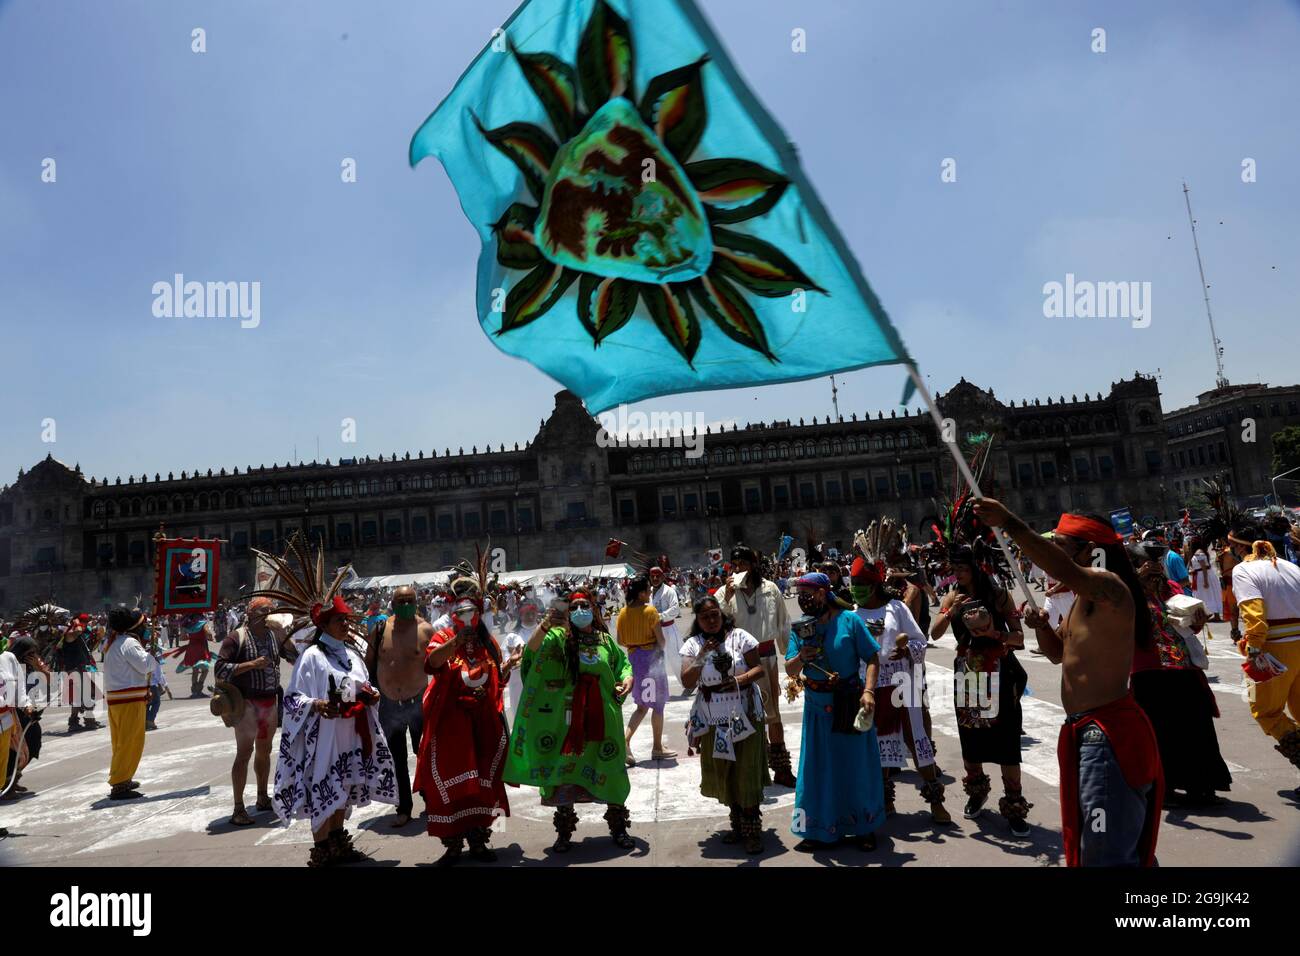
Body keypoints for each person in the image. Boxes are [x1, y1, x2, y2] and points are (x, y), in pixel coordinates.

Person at [980, 502, 1163, 867]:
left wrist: (1011, 522)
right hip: (1089, 730)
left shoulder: (1110, 587)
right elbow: (1057, 653)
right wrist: (1042, 626)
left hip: (1109, 732)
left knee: (1103, 848)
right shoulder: (1083, 598)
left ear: (1089, 551)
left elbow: (1060, 567)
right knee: (1098, 840)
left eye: (1062, 544)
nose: (1056, 554)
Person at [503, 591, 637, 853]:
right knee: (564, 770)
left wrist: (627, 679)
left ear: (593, 609)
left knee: (609, 766)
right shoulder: (556, 638)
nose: (579, 610)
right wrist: (545, 625)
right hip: (565, 721)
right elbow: (530, 656)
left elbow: (623, 665)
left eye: (584, 605)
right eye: (573, 606)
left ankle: (619, 828)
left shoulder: (604, 640)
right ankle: (564, 833)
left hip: (603, 719)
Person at [273, 595, 397, 867]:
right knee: (324, 786)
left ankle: (339, 844)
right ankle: (322, 850)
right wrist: (316, 704)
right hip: (325, 737)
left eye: (347, 619)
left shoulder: (351, 654)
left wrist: (372, 695)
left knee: (344, 785)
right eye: (339, 620)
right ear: (325, 624)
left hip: (351, 733)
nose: (345, 624)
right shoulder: (312, 657)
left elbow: (364, 685)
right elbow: (293, 698)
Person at [929, 545, 1032, 837]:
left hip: (1000, 672)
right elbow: (934, 633)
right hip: (969, 676)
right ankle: (977, 791)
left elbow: (1020, 639)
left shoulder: (998, 595)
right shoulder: (952, 595)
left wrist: (994, 634)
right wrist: (950, 612)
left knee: (1007, 743)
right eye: (954, 569)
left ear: (975, 567)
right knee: (972, 741)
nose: (957, 574)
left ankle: (1014, 805)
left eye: (962, 569)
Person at [784, 572, 884, 852]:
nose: (804, 597)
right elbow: (789, 669)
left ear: (824, 592)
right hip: (816, 707)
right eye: (801, 592)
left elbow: (873, 656)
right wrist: (802, 656)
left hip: (849, 702)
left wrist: (869, 691)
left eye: (809, 591)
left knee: (856, 766)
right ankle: (819, 830)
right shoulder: (800, 628)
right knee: (819, 769)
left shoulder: (849, 620)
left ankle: (864, 828)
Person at [414, 580, 510, 865]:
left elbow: (496, 679)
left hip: (481, 723)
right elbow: (432, 662)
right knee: (448, 781)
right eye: (461, 609)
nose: (466, 614)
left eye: (471, 609)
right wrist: (455, 641)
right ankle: (453, 845)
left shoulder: (489, 642)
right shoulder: (442, 636)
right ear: (453, 611)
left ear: (479, 611)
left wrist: (505, 669)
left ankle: (479, 842)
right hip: (449, 724)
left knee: (482, 781)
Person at [851, 556, 950, 824]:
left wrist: (907, 649)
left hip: (902, 685)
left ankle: (935, 800)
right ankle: (886, 800)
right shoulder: (852, 615)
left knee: (917, 740)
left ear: (874, 586)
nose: (855, 588)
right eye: (853, 583)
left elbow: (919, 641)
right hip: (870, 687)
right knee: (878, 745)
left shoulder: (897, 609)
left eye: (860, 583)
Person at [1129, 547, 1231, 804]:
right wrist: (1136, 582)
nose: (1151, 567)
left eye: (1154, 562)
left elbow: (1191, 626)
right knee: (1160, 731)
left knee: (1196, 725)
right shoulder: (1126, 592)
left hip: (1183, 667)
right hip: (1149, 670)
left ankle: (1202, 785)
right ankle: (1165, 788)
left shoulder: (1171, 588)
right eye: (1144, 562)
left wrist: (1198, 618)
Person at [680, 595, 770, 853]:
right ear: (697, 620)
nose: (711, 620)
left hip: (745, 712)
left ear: (722, 614)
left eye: (715, 615)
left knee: (746, 768)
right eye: (705, 617)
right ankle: (737, 824)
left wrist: (740, 680)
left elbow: (759, 669)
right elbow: (687, 681)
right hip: (712, 717)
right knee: (726, 769)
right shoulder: (692, 645)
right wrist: (702, 654)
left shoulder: (740, 637)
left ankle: (753, 831)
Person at [1227, 520, 1300, 782]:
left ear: (1236, 546)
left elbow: (1255, 616)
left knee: (1266, 711)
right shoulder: (1289, 566)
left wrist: (1254, 650)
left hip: (1275, 648)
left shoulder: (1243, 571)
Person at [215, 596, 296, 827]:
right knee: (244, 753)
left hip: (269, 703)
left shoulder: (273, 635)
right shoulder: (235, 638)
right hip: (247, 706)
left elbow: (293, 657)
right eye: (263, 611)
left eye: (271, 611)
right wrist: (252, 665)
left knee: (265, 750)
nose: (268, 614)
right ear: (251, 614)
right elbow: (220, 669)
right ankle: (238, 808)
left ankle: (262, 796)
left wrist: (287, 637)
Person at [720, 544, 797, 788]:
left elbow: (784, 622)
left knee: (773, 715)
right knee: (748, 716)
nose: (739, 568)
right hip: (741, 662)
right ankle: (757, 768)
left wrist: (788, 655)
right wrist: (727, 598)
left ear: (753, 564)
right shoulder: (725, 592)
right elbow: (715, 624)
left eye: (743, 563)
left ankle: (782, 769)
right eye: (735, 565)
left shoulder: (770, 589)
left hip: (767, 658)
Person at [364, 585, 434, 828]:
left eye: (409, 600)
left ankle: (431, 800)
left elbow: (438, 664)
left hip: (418, 703)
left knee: (424, 753)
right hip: (389, 705)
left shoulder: (426, 629)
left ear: (416, 602)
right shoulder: (381, 629)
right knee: (397, 759)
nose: (405, 605)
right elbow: (369, 663)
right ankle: (404, 807)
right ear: (392, 603)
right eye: (400, 601)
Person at [617, 576, 674, 764]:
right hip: (652, 659)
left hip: (635, 658)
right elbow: (662, 641)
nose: (650, 593)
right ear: (641, 593)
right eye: (648, 590)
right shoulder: (650, 611)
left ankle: (625, 741)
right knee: (658, 705)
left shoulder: (623, 613)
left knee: (641, 706)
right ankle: (657, 747)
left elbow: (620, 641)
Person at [102, 607, 154, 801]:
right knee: (130, 741)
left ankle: (122, 776)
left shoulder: (114, 642)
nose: (145, 628)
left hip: (120, 698)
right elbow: (145, 665)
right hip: (128, 700)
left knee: (121, 741)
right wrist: (152, 655)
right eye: (143, 625)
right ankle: (120, 783)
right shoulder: (129, 643)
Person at [54, 615, 98, 733]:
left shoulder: (76, 635)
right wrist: (77, 622)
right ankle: (88, 720)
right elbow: (78, 630)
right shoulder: (69, 635)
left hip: (79, 668)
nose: (84, 625)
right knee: (84, 695)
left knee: (78, 697)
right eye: (83, 622)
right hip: (74, 670)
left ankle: (74, 721)